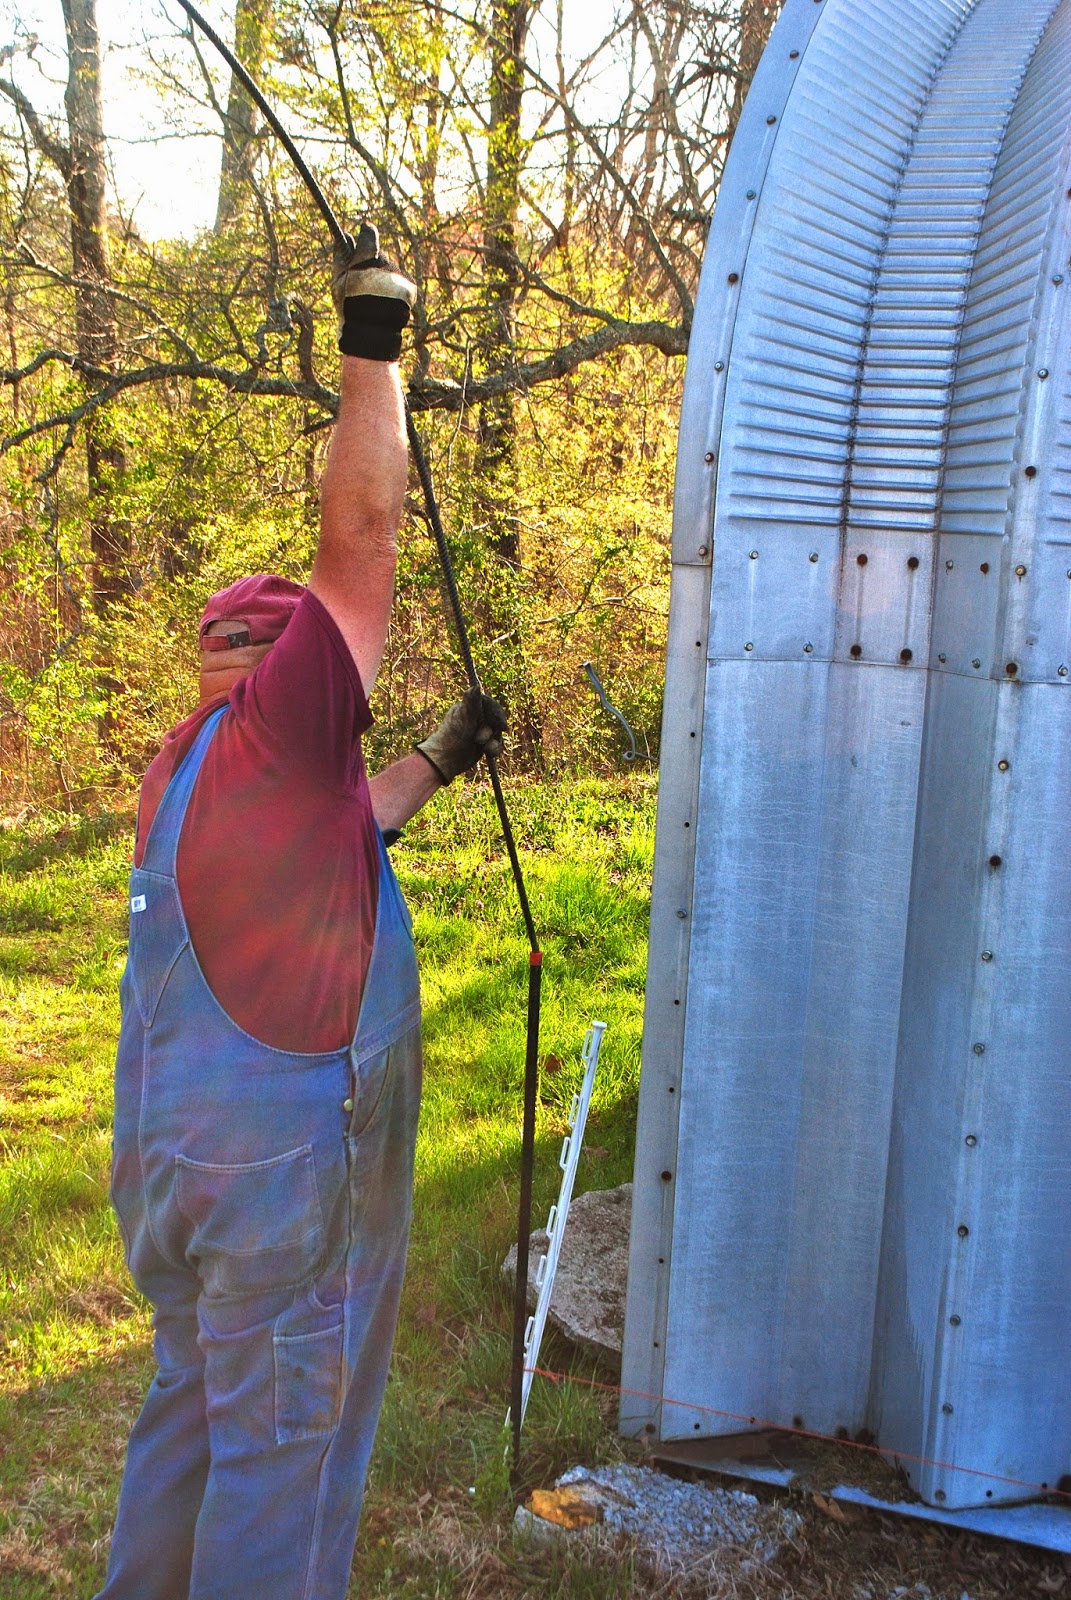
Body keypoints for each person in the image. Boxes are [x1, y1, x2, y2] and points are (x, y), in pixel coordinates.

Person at [94, 225, 506, 1600]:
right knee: (284, 1465)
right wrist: (374, 341)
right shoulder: (281, 727)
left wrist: (437, 759)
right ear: (285, 674)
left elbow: (348, 827)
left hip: (177, 1180)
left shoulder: (196, 768)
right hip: (275, 1187)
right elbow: (363, 537)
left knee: (193, 1412)